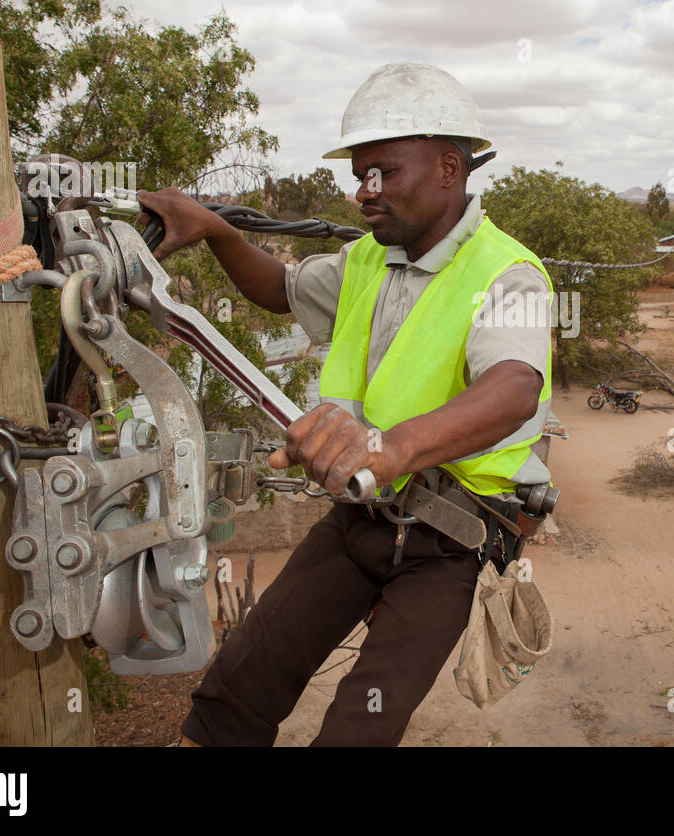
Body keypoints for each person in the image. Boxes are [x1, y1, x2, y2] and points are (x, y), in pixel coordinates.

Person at [140, 63, 554, 746]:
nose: (366, 190)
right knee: (238, 687)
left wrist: (391, 447)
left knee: (359, 727)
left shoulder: (505, 273)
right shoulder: (367, 260)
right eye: (360, 174)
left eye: (385, 172)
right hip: (359, 517)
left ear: (450, 167)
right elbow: (279, 288)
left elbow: (512, 389)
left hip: (447, 539)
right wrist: (216, 231)